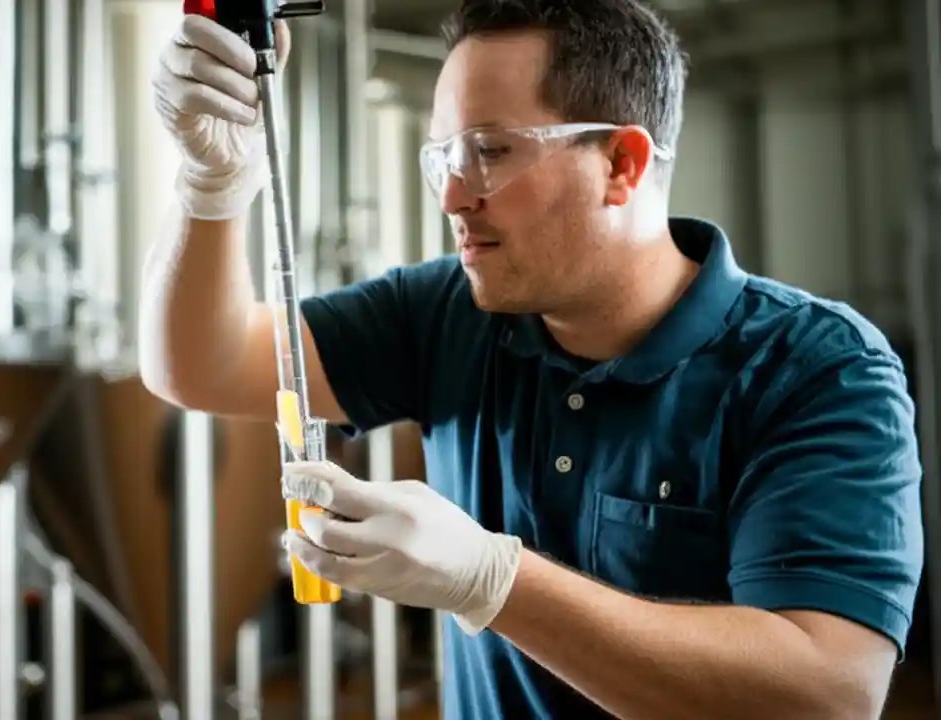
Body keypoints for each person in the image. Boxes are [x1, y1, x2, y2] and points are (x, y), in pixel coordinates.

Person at [141, 0, 926, 717]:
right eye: (444, 157)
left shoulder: (820, 368)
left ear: (621, 163)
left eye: (488, 151)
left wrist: (495, 580)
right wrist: (211, 187)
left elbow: (828, 694)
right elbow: (199, 366)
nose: (452, 197)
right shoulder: (452, 311)